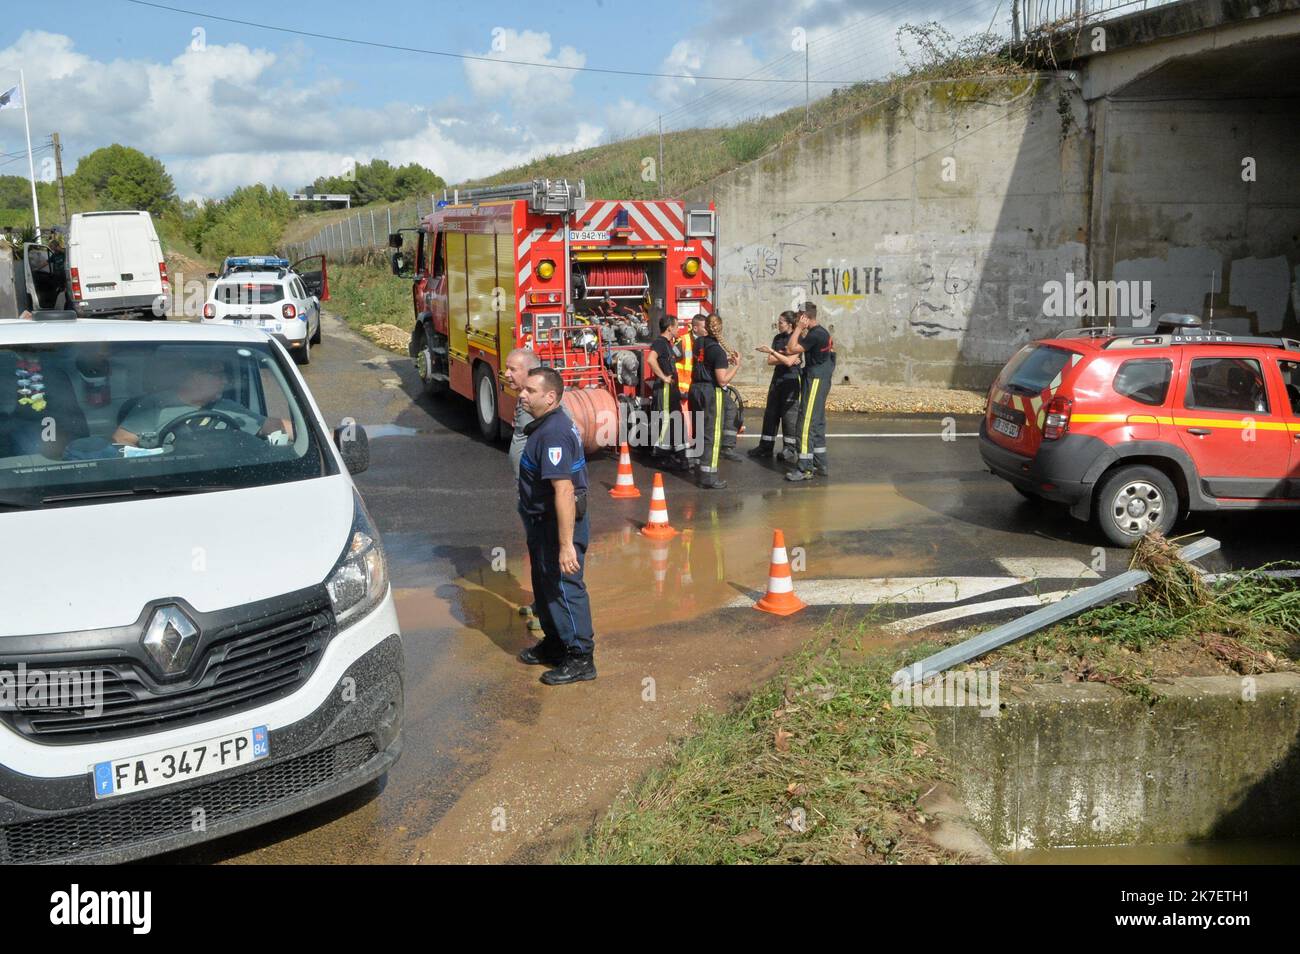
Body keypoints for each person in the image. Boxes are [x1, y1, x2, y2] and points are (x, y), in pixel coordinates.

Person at [516, 366, 597, 685]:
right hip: (542, 523)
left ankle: (580, 657)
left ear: (550, 397)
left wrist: (565, 546)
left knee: (565, 586)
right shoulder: (546, 424)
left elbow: (564, 490)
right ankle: (555, 642)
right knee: (545, 583)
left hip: (558, 525)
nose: (522, 394)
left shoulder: (554, 433)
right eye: (523, 389)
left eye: (530, 391)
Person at [112, 356, 292, 448]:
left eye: (225, 375)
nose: (224, 381)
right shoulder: (155, 405)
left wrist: (310, 430)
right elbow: (122, 440)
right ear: (194, 377)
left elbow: (272, 425)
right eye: (217, 375)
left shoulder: (229, 408)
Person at [688, 312, 741, 489]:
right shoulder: (717, 350)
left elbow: (705, 363)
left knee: (699, 431)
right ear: (720, 328)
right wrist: (735, 365)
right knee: (712, 434)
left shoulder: (698, 343)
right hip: (710, 392)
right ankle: (709, 477)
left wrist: (724, 360)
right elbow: (723, 380)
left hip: (695, 389)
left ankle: (698, 468)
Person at [785, 302, 835, 481]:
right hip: (821, 379)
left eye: (799, 316)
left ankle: (805, 467)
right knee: (817, 422)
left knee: (805, 423)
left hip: (815, 380)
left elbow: (791, 348)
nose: (797, 319)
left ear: (805, 317)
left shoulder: (815, 335)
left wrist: (798, 329)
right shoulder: (821, 333)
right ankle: (820, 463)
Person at [748, 311, 802, 463]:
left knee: (789, 416)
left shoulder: (797, 339)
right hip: (777, 380)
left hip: (791, 381)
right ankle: (765, 447)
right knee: (771, 413)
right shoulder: (778, 338)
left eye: (781, 322)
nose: (778, 325)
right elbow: (770, 361)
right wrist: (784, 357)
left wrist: (777, 354)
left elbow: (789, 362)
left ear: (790, 324)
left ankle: (789, 449)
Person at [646, 312, 689, 470]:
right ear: (670, 328)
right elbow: (651, 359)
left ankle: (680, 455)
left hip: (672, 390)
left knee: (676, 420)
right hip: (665, 389)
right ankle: (661, 456)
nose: (679, 329)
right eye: (677, 327)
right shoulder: (660, 343)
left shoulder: (668, 344)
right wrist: (664, 377)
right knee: (666, 421)